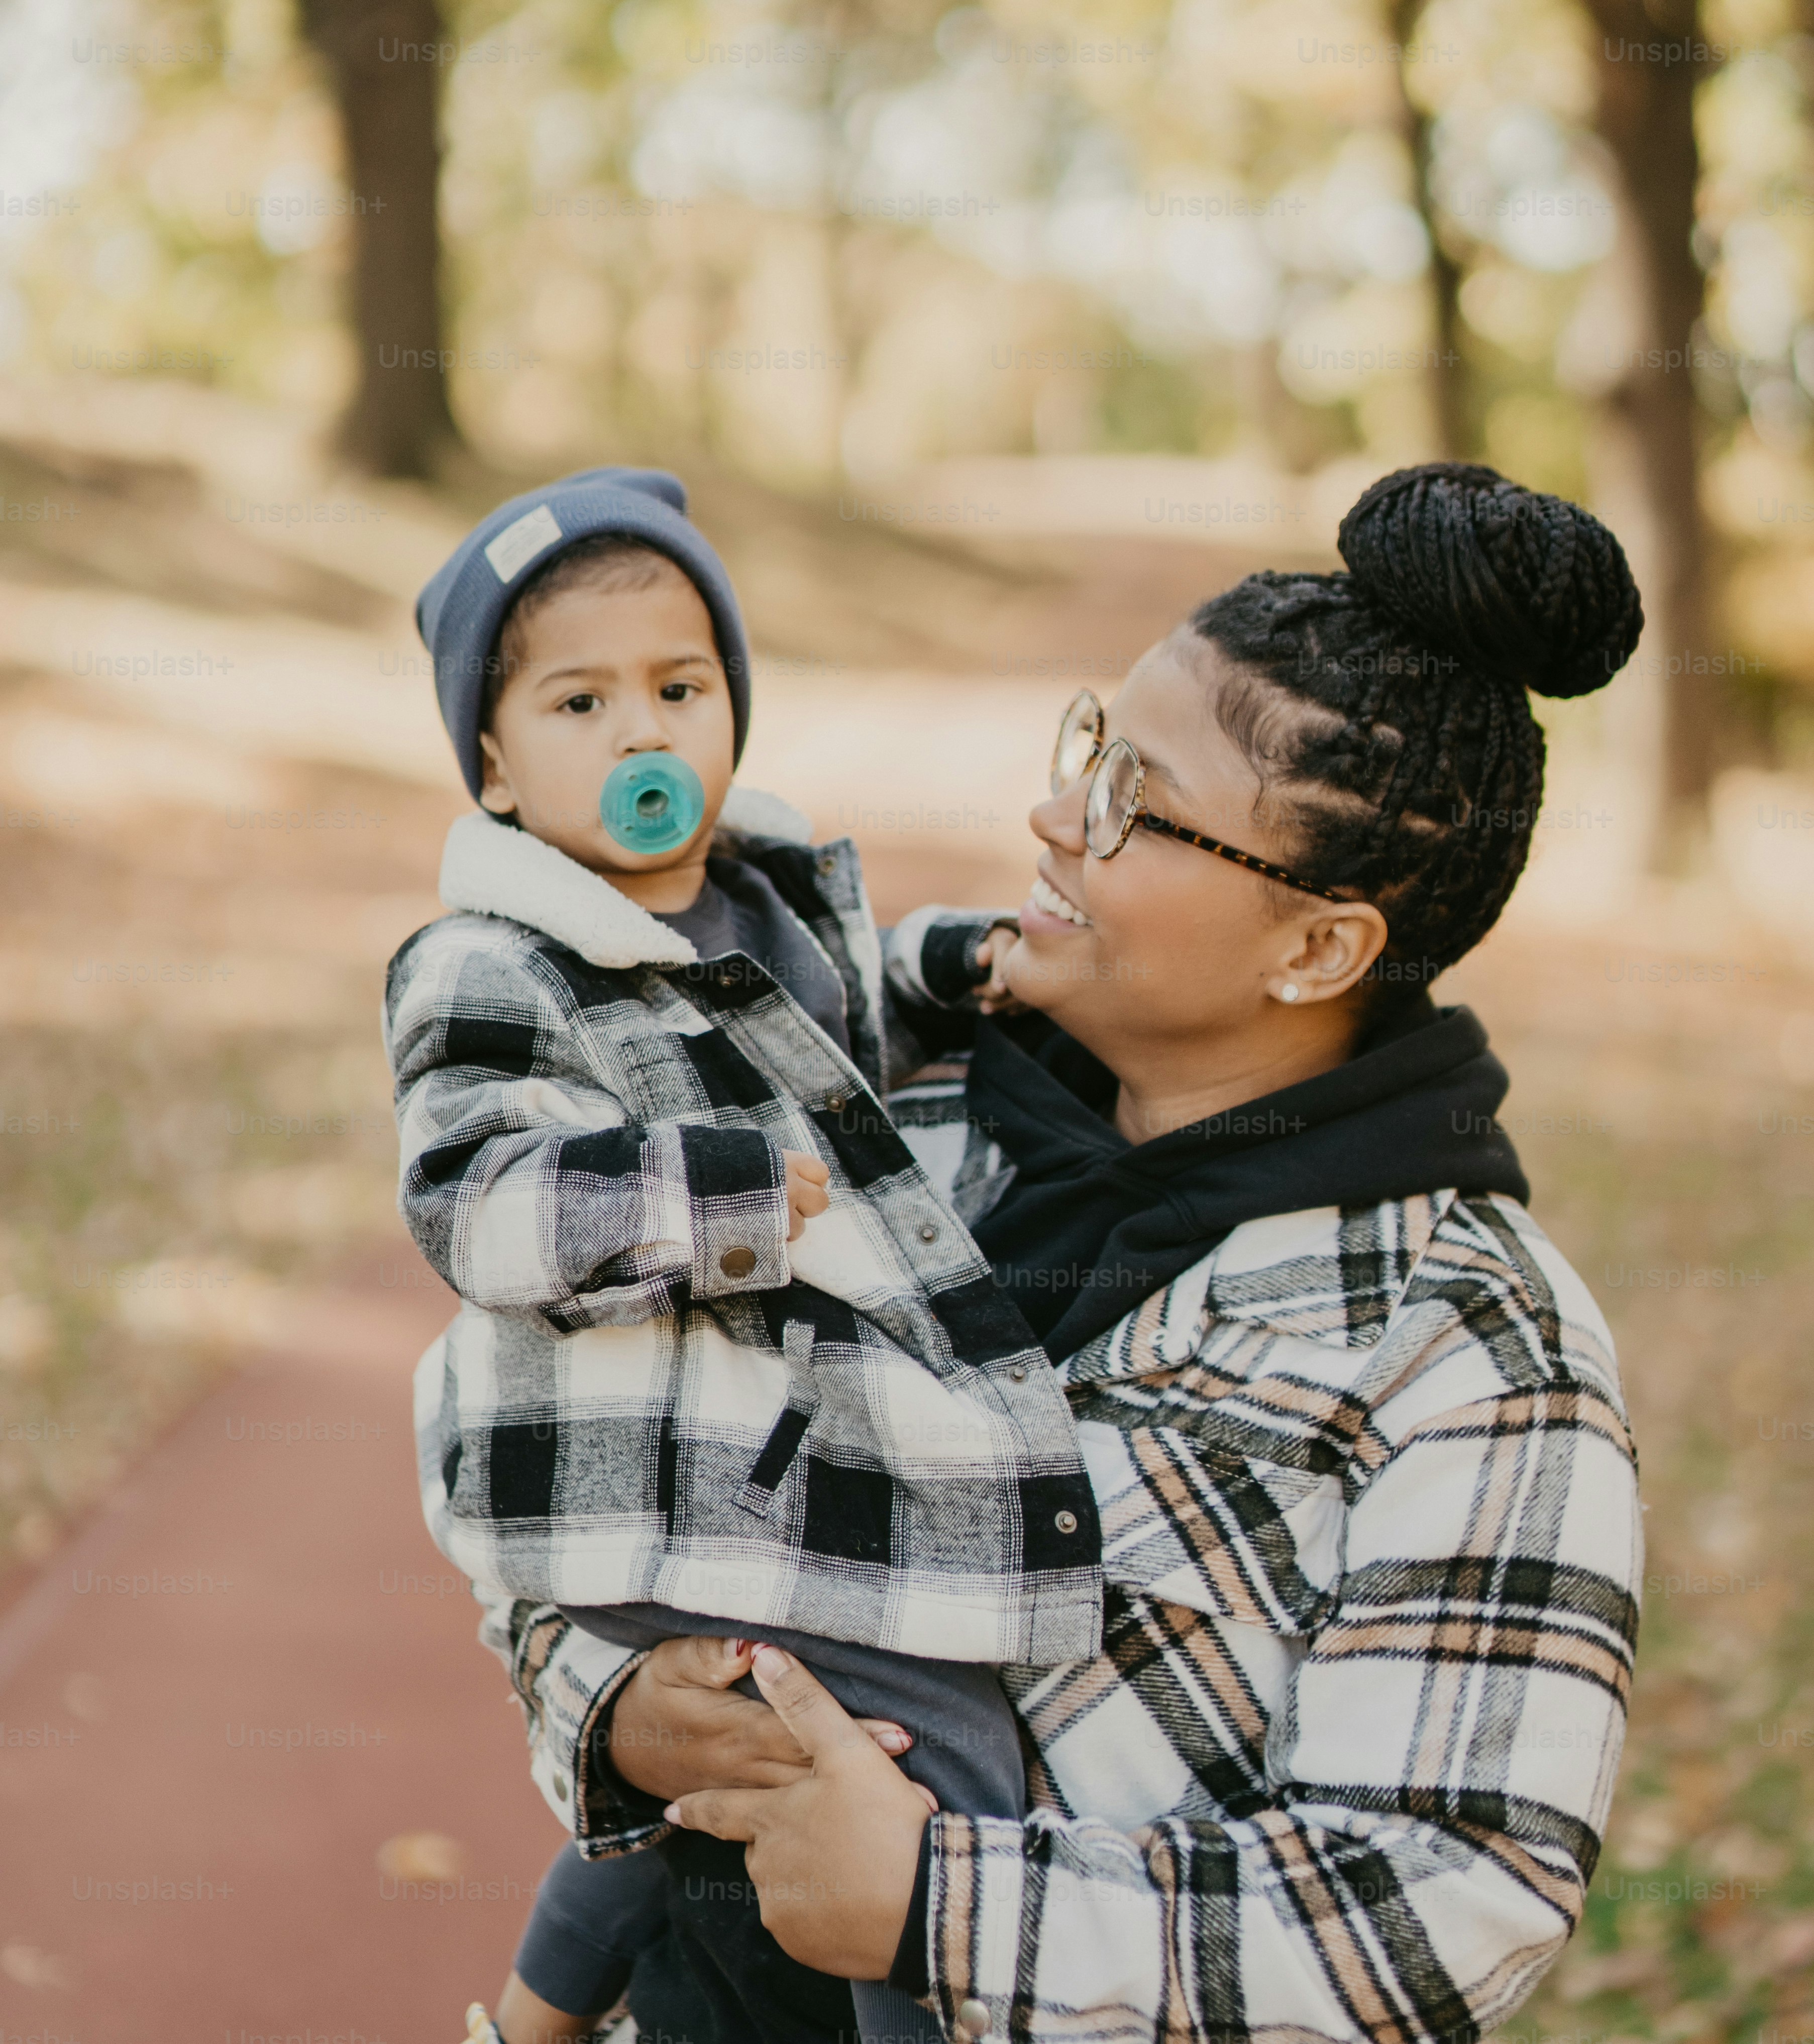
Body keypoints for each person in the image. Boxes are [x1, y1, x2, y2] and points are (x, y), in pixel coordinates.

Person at [499, 463, 1647, 2044]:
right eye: (1088, 746)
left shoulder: (1467, 1345)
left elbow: (1448, 1898)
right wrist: (613, 1714)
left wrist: (934, 1901)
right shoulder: (891, 1117)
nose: (1052, 815)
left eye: (1131, 802)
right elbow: (570, 1446)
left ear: (1318, 945)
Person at [385, 466, 1102, 2044]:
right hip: (644, 1465)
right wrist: (701, 1192)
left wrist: (959, 956)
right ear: (496, 773)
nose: (642, 733)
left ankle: (534, 2023)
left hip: (755, 1468)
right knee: (939, 1757)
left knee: (709, 1760)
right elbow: (471, 1199)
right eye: (579, 702)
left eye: (679, 686)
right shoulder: (491, 962)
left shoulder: (770, 903)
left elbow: (861, 1014)